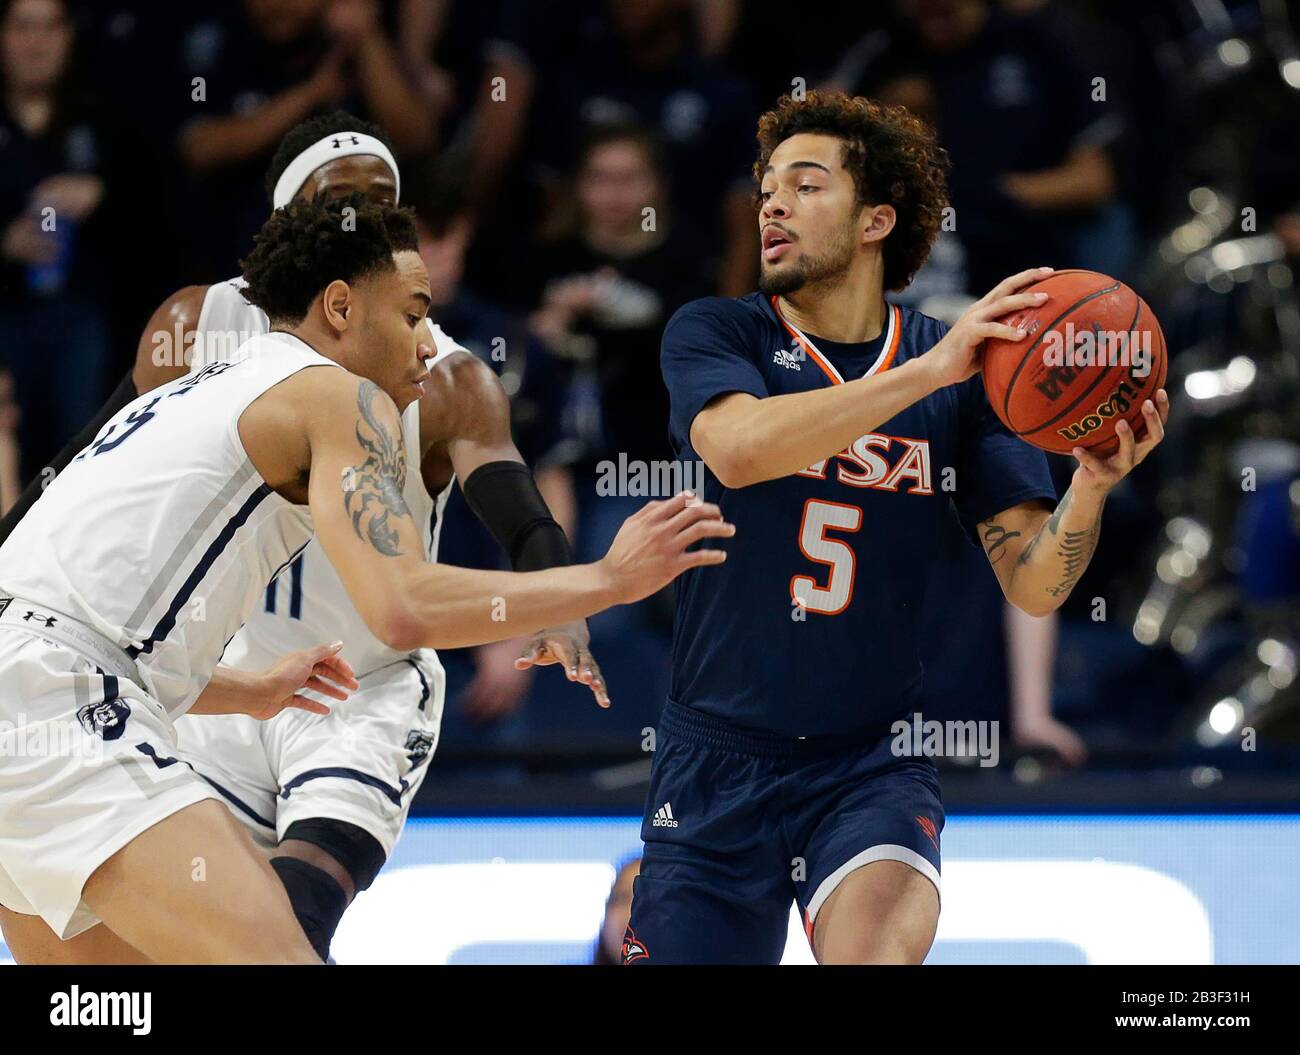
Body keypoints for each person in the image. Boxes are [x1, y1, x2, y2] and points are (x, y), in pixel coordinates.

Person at [0, 194, 732, 964]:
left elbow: (66, 608)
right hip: (62, 705)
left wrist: (245, 691)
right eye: (412, 314)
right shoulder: (335, 396)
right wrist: (607, 579)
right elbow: (404, 607)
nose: (427, 345)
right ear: (341, 306)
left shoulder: (193, 390)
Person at [625, 90, 1168, 965]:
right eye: (768, 187)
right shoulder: (716, 330)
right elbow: (736, 450)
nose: (772, 203)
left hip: (868, 762)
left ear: (877, 219)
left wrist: (1091, 489)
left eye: (805, 185)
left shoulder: (964, 378)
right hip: (713, 759)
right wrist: (928, 371)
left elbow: (1035, 582)